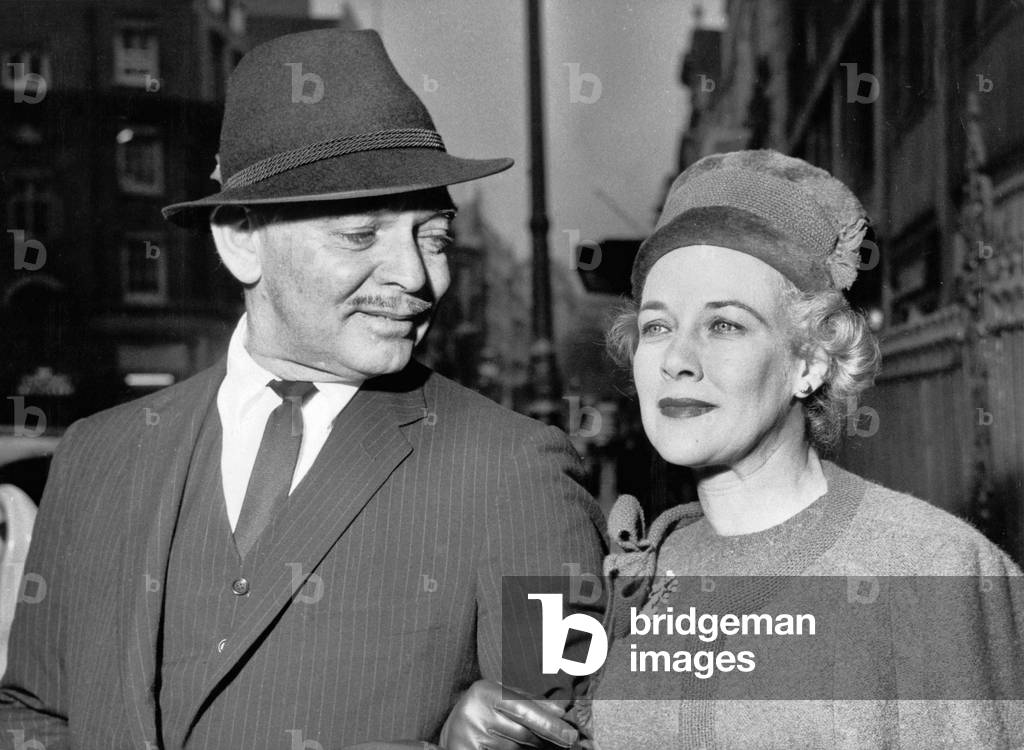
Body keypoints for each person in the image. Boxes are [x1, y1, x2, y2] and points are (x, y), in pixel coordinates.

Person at [0, 29, 604, 749]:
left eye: (434, 237)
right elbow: (30, 710)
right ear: (240, 239)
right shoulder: (96, 456)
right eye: (360, 235)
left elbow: (568, 724)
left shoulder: (519, 471)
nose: (415, 276)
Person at [585, 150, 1024, 748]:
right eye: (657, 327)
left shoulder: (933, 570)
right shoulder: (637, 573)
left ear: (811, 361)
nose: (677, 360)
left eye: (725, 325)